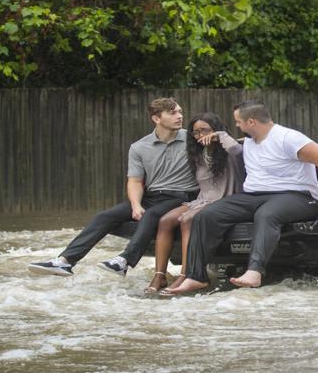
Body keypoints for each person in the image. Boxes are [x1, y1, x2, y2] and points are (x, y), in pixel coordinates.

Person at [162, 100, 318, 296]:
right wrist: (216, 137)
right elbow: (234, 145)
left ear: (251, 122)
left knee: (266, 214)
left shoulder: (288, 138)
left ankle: (254, 271)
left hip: (299, 197)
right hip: (256, 196)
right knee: (207, 215)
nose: (237, 126)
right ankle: (196, 277)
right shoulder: (249, 141)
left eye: (239, 122)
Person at [27, 97, 199, 277]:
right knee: (105, 216)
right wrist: (135, 205)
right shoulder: (139, 147)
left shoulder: (192, 140)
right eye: (173, 113)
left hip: (182, 197)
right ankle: (65, 261)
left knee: (151, 215)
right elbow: (135, 181)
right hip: (152, 196)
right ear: (156, 118)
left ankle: (124, 261)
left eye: (180, 112)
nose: (180, 116)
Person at [147, 114, 245, 294]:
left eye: (205, 130)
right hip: (202, 200)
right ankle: (159, 275)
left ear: (215, 129)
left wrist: (219, 136)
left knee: (187, 219)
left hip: (226, 199)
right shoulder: (198, 154)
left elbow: (236, 150)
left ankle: (187, 274)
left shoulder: (228, 149)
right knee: (166, 220)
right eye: (196, 132)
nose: (200, 135)